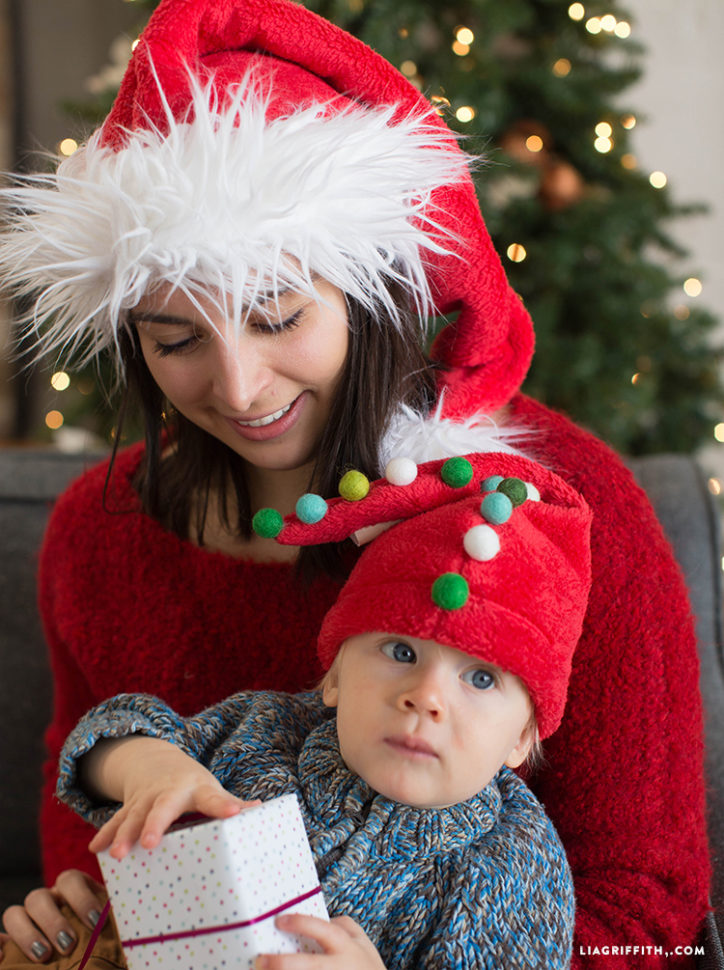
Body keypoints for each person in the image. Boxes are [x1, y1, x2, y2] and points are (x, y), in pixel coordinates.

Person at [0, 0, 710, 966]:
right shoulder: (99, 532)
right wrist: (81, 930)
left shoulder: (552, 510)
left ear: (372, 291)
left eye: (280, 316)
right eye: (176, 339)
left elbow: (648, 920)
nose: (241, 388)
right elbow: (85, 818)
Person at [54, 454, 591, 970]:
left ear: (523, 737)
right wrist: (147, 767)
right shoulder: (266, 731)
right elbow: (104, 738)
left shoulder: (512, 867)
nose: (426, 697)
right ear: (334, 675)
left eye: (480, 678)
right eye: (401, 652)